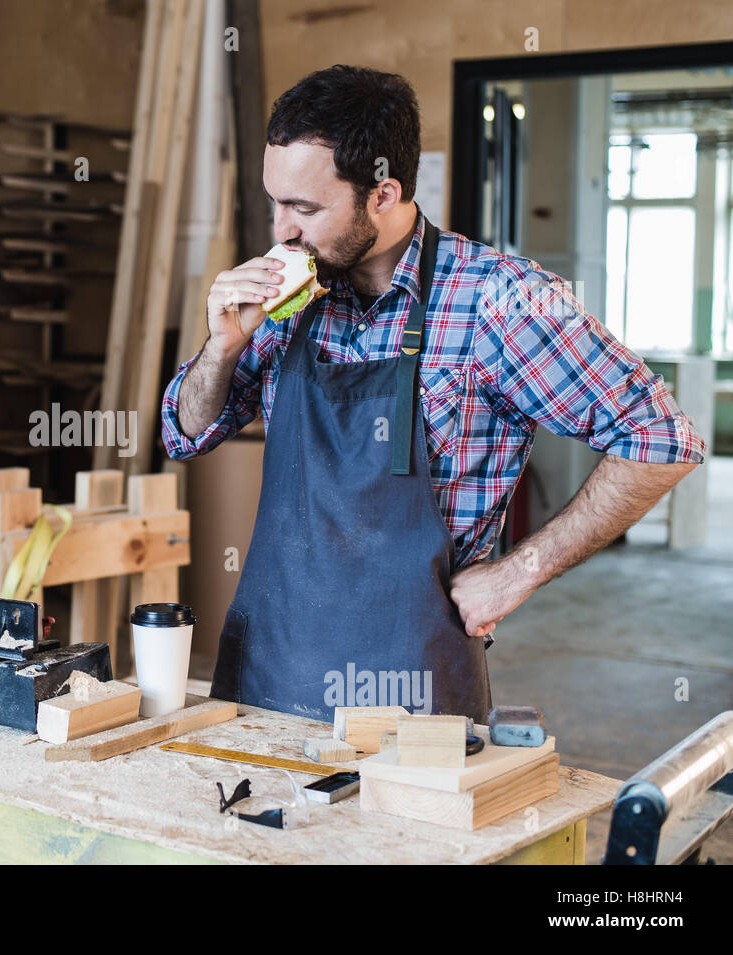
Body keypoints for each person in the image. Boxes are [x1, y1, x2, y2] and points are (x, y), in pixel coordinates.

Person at [161, 65, 705, 723]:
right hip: (266, 674)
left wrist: (520, 570)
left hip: (411, 700)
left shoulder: (500, 302)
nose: (280, 229)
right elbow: (184, 431)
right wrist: (221, 347)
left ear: (383, 193)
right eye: (275, 200)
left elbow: (661, 438)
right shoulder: (286, 298)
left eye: (303, 208)